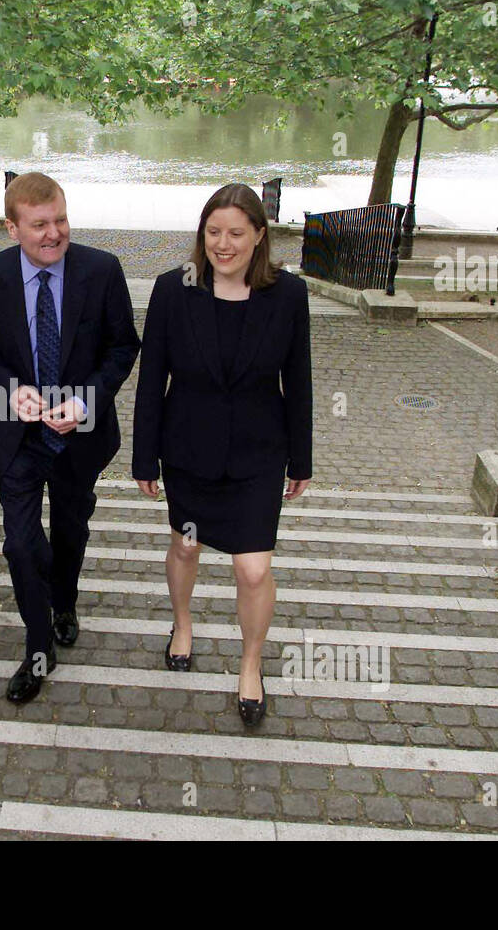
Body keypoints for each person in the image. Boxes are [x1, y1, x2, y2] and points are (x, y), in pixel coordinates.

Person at [132, 182, 313, 728]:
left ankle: (251, 665)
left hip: (260, 453)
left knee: (253, 570)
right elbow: (151, 379)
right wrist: (146, 458)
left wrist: (300, 460)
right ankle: (182, 623)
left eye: (236, 233)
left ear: (260, 236)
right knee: (186, 548)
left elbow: (298, 379)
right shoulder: (172, 289)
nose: (223, 244)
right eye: (213, 232)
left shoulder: (288, 294)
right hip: (188, 450)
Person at [0, 172, 140, 704]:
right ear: (12, 227)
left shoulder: (102, 270)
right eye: (39, 224)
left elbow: (122, 348)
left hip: (79, 436)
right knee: (20, 544)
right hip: (16, 436)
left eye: (60, 219)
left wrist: (86, 400)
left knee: (70, 530)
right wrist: (9, 389)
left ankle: (64, 600)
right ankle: (38, 645)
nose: (54, 233)